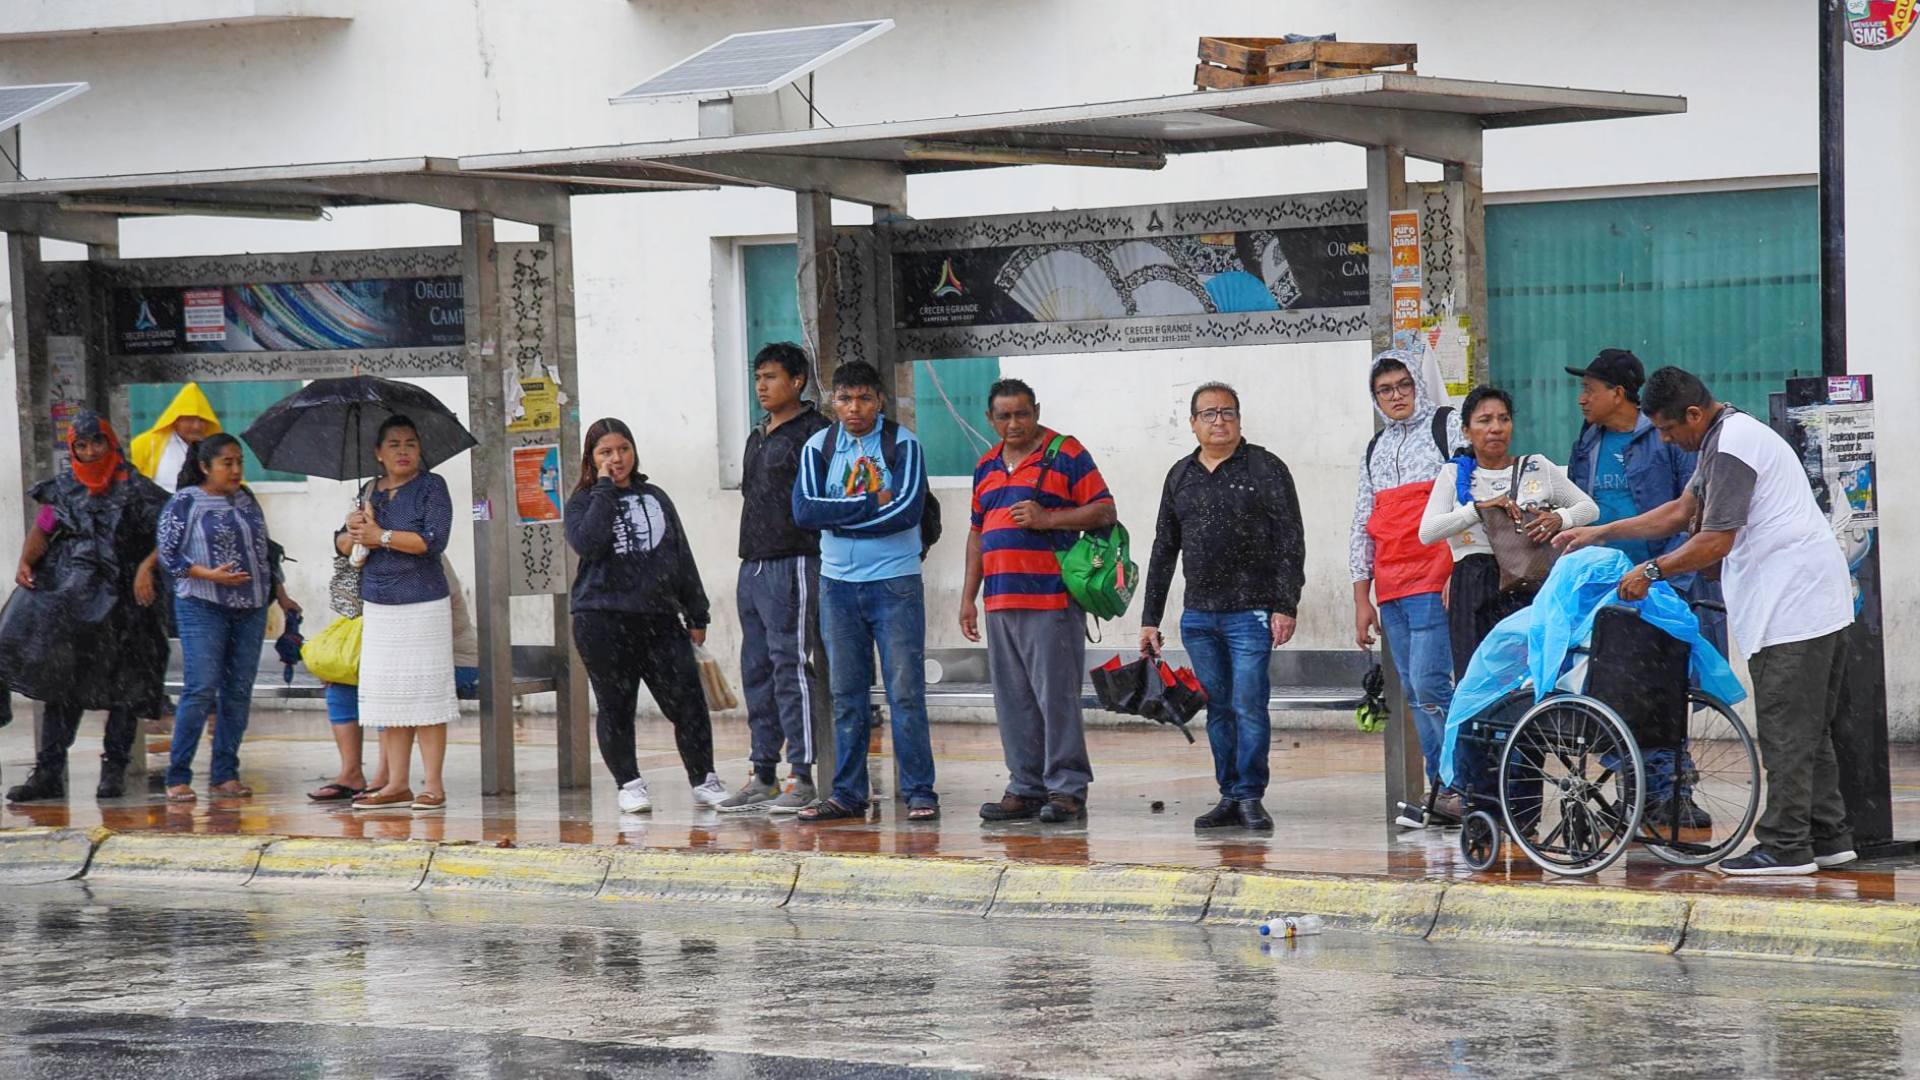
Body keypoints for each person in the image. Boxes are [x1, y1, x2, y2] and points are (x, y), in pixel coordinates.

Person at [1558, 367, 1858, 877]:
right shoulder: (1725, 435)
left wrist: (1651, 570)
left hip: (1792, 605)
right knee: (1808, 730)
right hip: (1811, 600)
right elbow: (1680, 512)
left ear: (1694, 414)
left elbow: (1715, 540)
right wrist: (1602, 532)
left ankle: (1785, 844)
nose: (1666, 440)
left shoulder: (1732, 446)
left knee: (1786, 731)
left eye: (1669, 429)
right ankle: (1828, 837)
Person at [1565, 348, 1720, 828]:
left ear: (1618, 393)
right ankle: (1637, 793)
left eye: (1589, 389)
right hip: (1606, 589)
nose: (1581, 399)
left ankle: (1672, 791)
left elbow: (1689, 513)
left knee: (1666, 691)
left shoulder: (1664, 436)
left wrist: (1667, 576)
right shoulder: (1587, 442)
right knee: (1614, 691)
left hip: (1660, 584)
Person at [1140, 382, 1305, 832]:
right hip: (1199, 617)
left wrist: (1285, 604)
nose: (1219, 421)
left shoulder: (1266, 468)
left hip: (1252, 614)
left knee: (1249, 705)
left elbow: (1290, 541)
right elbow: (1163, 548)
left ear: (1239, 418)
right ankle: (1229, 794)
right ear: (1193, 423)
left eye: (1227, 412)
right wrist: (1150, 619)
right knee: (1218, 709)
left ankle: (1250, 796)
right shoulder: (1180, 475)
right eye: (1209, 414)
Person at [789, 360, 938, 823]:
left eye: (864, 399)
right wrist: (872, 502)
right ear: (832, 402)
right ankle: (848, 793)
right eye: (845, 399)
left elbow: (907, 511)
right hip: (837, 586)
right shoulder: (818, 447)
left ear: (880, 401)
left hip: (895, 583)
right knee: (846, 696)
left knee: (905, 693)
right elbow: (803, 512)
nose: (854, 408)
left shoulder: (903, 444)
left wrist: (838, 516)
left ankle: (919, 792)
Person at [962, 378, 1115, 825]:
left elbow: (1105, 510)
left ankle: (1067, 789)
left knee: (1057, 699)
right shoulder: (985, 465)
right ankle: (1025, 787)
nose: (1014, 423)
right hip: (999, 601)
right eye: (1004, 416)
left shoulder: (1066, 453)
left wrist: (1048, 518)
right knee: (1013, 700)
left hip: (1051, 600)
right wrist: (968, 598)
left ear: (1037, 412)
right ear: (990, 419)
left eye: (1022, 414)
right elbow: (977, 534)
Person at [0, 412, 169, 803]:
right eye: (82, 445)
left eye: (97, 442)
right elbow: (43, 528)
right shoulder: (63, 489)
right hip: (70, 602)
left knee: (125, 687)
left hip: (123, 605)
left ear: (110, 443)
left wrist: (146, 567)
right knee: (61, 685)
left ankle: (114, 771)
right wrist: (26, 562)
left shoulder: (137, 490)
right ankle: (48, 773)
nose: (90, 451)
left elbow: (171, 531)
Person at [564, 417, 726, 815]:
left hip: (659, 618)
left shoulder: (656, 496)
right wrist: (605, 489)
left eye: (623, 449)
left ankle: (705, 778)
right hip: (601, 618)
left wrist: (697, 612)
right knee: (616, 704)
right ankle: (629, 783)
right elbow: (589, 543)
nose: (617, 458)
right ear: (591, 458)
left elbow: (680, 553)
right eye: (605, 452)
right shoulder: (583, 501)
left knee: (687, 700)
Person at [1349, 349, 1463, 826]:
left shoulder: (1446, 427)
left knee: (1434, 685)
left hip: (1435, 580)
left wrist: (1460, 568)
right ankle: (1442, 791)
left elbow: (1470, 499)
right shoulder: (1375, 448)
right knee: (1415, 691)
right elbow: (1363, 522)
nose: (1396, 396)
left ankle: (1461, 785)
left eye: (1404, 385)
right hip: (1391, 588)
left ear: (1418, 384)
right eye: (1385, 390)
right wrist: (1362, 597)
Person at [155, 433, 299, 802]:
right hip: (203, 606)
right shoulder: (185, 502)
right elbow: (168, 556)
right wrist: (208, 574)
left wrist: (282, 595)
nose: (235, 470)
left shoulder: (247, 499)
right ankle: (178, 775)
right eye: (227, 463)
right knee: (201, 688)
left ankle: (225, 774)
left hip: (251, 607)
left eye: (239, 462)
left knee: (237, 691)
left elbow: (265, 551)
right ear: (205, 466)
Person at [721, 342, 833, 814]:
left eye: (771, 377)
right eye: (758, 378)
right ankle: (763, 772)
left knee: (791, 665)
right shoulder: (757, 434)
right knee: (756, 669)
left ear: (797, 381)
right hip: (753, 563)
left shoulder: (817, 434)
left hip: (796, 560)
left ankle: (802, 775)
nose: (761, 386)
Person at [1419, 385, 1597, 676]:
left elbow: (1589, 509)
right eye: (1485, 420)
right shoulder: (1454, 473)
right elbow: (1427, 532)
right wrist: (1478, 509)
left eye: (1504, 419)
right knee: (1475, 675)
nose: (1496, 428)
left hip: (1526, 581)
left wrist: (1559, 519)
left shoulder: (1536, 466)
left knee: (1525, 675)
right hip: (1472, 584)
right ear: (1466, 431)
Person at [343, 417, 458, 813]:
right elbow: (342, 544)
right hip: (379, 604)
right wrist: (353, 529)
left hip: (423, 603)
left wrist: (382, 536)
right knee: (389, 696)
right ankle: (396, 784)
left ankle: (434, 785)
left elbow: (432, 540)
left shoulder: (432, 486)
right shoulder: (368, 491)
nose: (403, 451)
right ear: (378, 453)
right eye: (394, 444)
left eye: (411, 443)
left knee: (426, 694)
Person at [308, 555, 479, 803]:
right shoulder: (370, 558)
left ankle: (386, 777)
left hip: (450, 659)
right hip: (389, 655)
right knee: (342, 686)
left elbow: (420, 626)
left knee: (389, 684)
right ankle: (351, 774)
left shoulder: (426, 563)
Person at [130, 383, 221, 494]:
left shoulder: (216, 449)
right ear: (176, 421)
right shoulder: (147, 444)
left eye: (202, 420)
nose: (196, 426)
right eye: (189, 419)